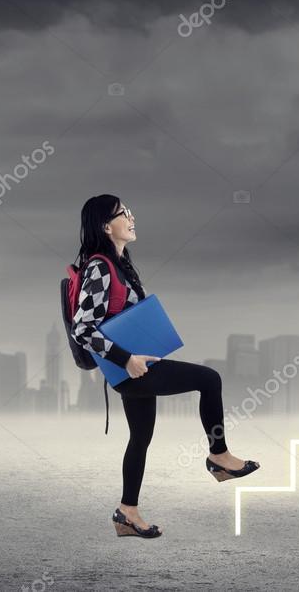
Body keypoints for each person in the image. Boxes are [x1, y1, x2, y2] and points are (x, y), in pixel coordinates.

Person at [71, 194, 260, 538]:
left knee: (140, 438)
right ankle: (219, 456)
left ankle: (126, 513)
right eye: (122, 213)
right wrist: (125, 359)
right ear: (105, 226)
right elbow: (82, 328)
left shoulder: (121, 263)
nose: (131, 217)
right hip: (127, 369)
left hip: (135, 367)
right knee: (209, 379)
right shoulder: (100, 267)